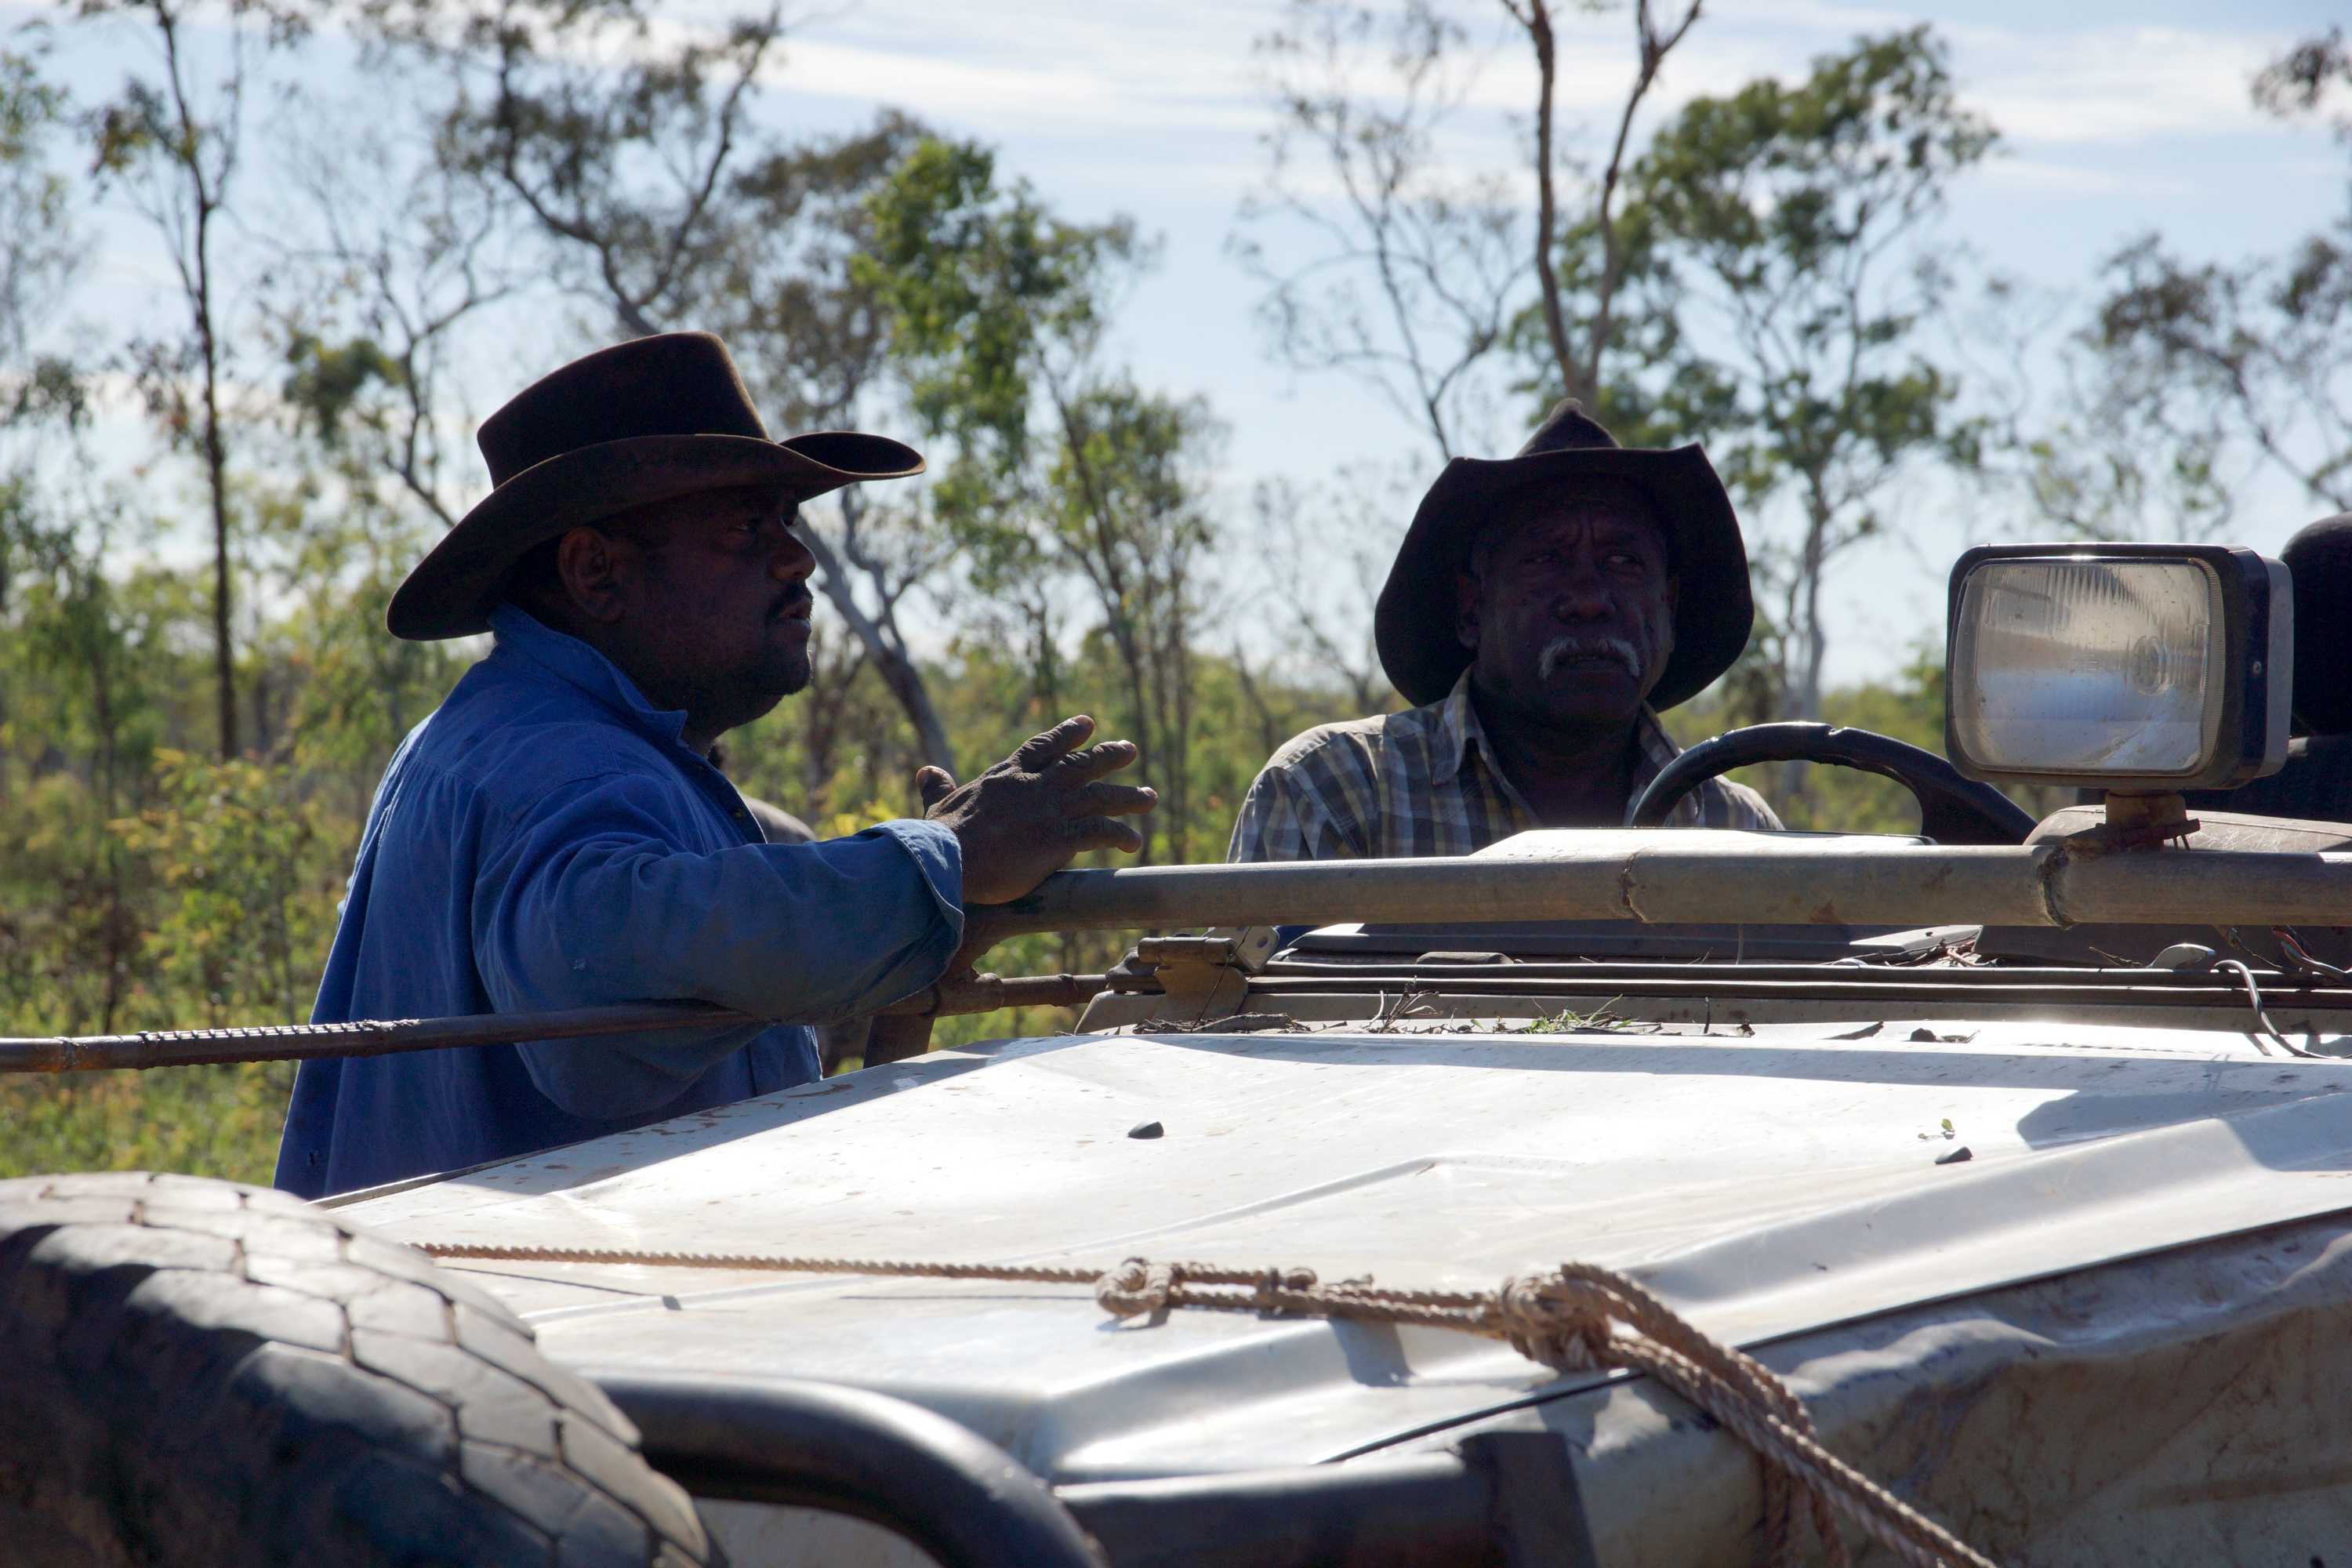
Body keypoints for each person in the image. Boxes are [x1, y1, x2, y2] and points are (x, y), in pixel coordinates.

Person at [274, 332, 1154, 1198]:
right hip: (540, 1318)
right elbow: (600, 972)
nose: (797, 555)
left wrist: (925, 931)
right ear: (596, 572)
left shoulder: (505, 731)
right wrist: (941, 860)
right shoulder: (559, 760)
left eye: (788, 519)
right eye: (745, 525)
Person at [1230, 400, 1776, 862]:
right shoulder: (1337, 791)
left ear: (1669, 608)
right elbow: (1238, 985)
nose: (1589, 599)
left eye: (1623, 561)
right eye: (1546, 558)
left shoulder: (1737, 832)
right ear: (1472, 610)